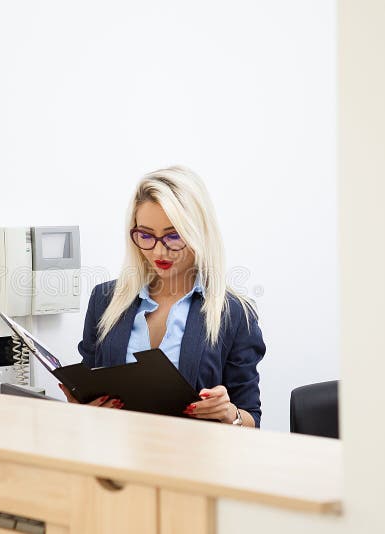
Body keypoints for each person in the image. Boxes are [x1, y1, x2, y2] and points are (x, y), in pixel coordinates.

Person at [59, 166, 266, 427]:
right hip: (114, 447)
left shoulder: (234, 314)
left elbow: (251, 419)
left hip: (193, 451)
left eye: (173, 236)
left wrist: (229, 413)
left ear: (199, 233)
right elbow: (89, 387)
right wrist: (81, 405)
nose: (159, 251)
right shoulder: (104, 300)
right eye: (146, 235)